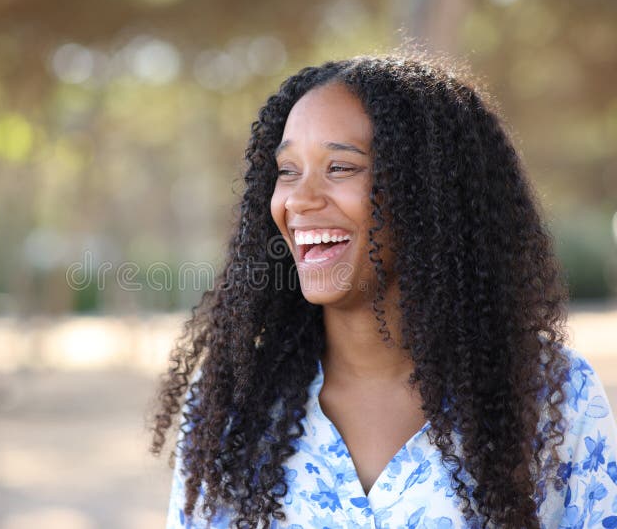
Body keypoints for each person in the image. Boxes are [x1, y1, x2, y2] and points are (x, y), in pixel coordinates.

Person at [148, 54, 617, 528]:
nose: (300, 200)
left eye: (340, 167)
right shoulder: (238, 400)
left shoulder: (550, 395)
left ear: (428, 193)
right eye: (287, 171)